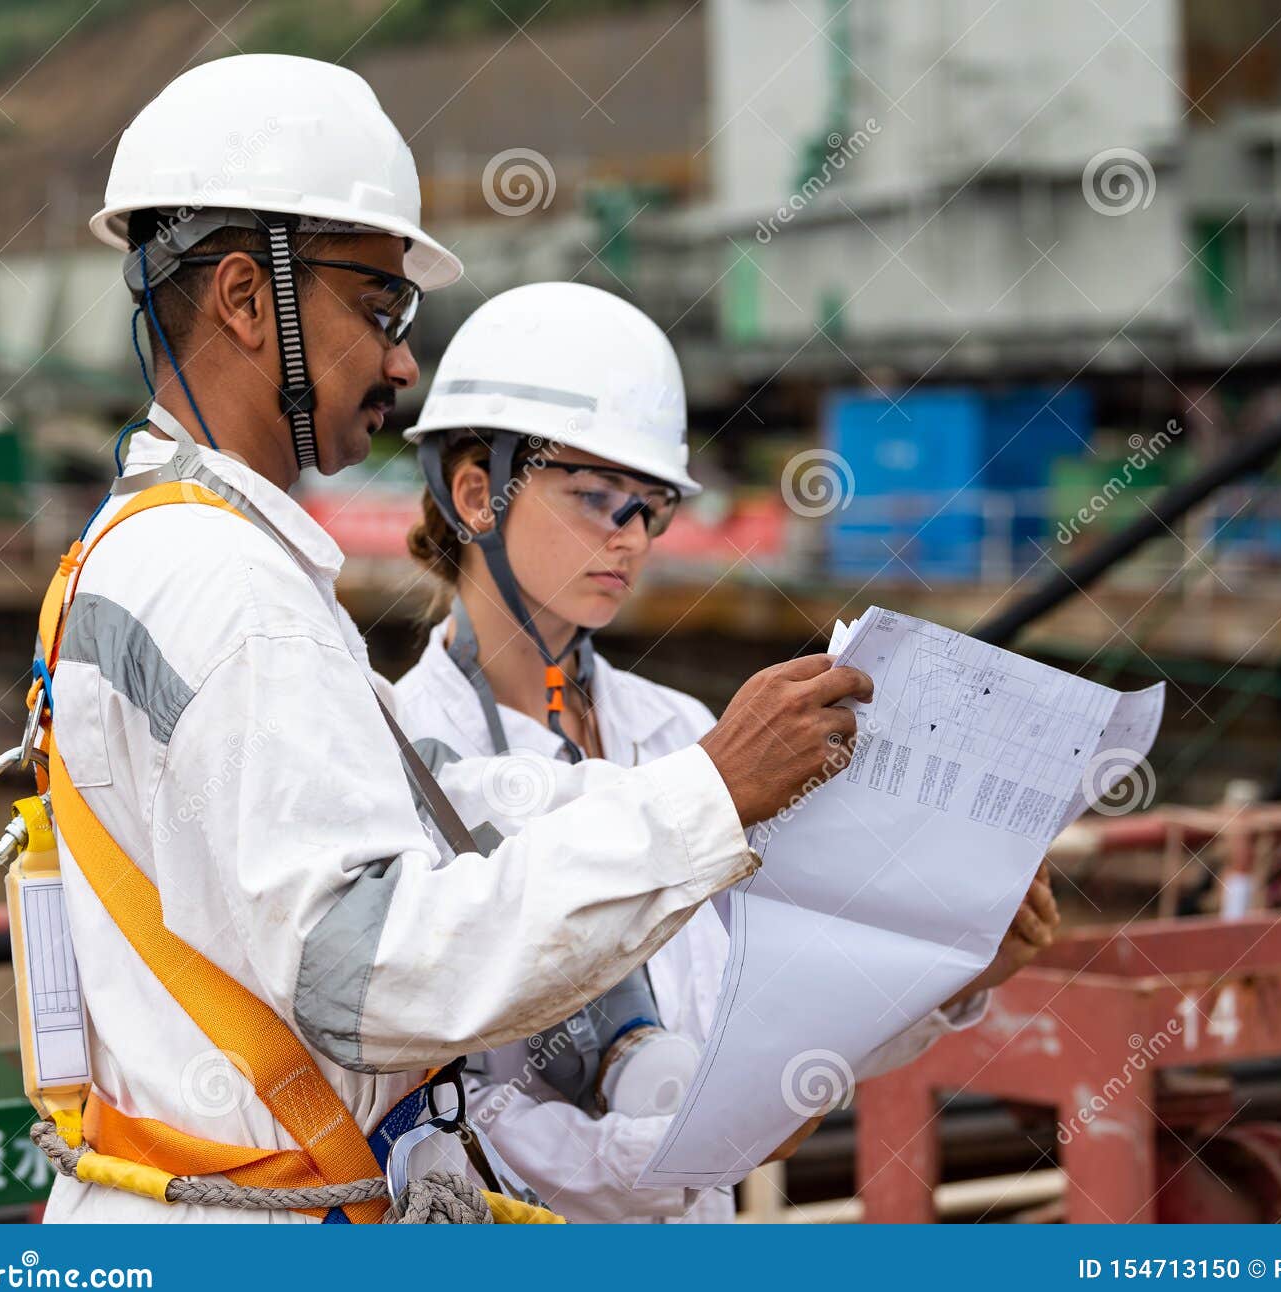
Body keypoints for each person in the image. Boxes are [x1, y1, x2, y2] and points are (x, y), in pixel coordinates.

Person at [33, 54, 870, 1223]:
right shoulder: (232, 591)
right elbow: (364, 971)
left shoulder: (149, 553)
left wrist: (693, 790)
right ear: (240, 295)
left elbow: (442, 814)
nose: (399, 361)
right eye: (375, 309)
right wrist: (706, 803)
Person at [393, 282, 1061, 1222]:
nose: (629, 538)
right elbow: (470, 1115)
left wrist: (953, 973)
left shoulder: (681, 731)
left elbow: (768, 1028)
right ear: (476, 492)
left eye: (650, 509)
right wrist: (700, 1139)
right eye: (596, 499)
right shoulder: (403, 761)